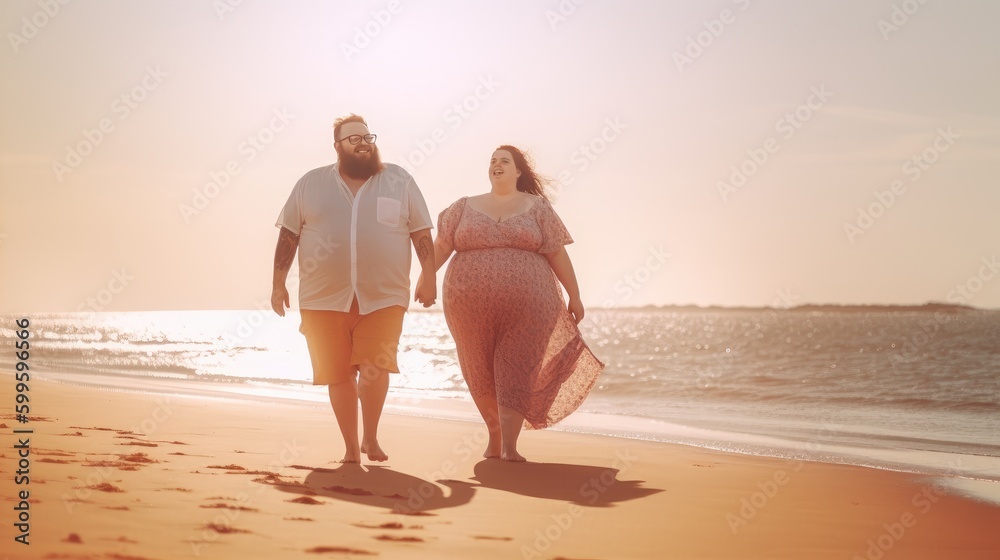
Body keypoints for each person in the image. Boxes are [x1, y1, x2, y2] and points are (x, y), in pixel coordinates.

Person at [272, 114, 436, 463]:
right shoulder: (310, 184)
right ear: (338, 147)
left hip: (385, 295)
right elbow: (289, 234)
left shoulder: (399, 180)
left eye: (368, 136)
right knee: (339, 374)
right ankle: (350, 447)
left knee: (375, 368)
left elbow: (421, 231)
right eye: (354, 138)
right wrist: (277, 284)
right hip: (321, 298)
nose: (364, 143)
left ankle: (370, 438)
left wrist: (430, 276)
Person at [422, 145, 603, 462]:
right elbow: (441, 245)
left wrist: (574, 294)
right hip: (467, 308)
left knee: (517, 369)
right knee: (478, 368)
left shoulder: (538, 207)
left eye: (504, 161)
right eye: (492, 161)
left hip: (532, 307)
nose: (496, 165)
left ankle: (509, 446)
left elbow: (557, 252)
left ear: (518, 171)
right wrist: (426, 277)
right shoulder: (463, 207)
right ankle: (495, 436)